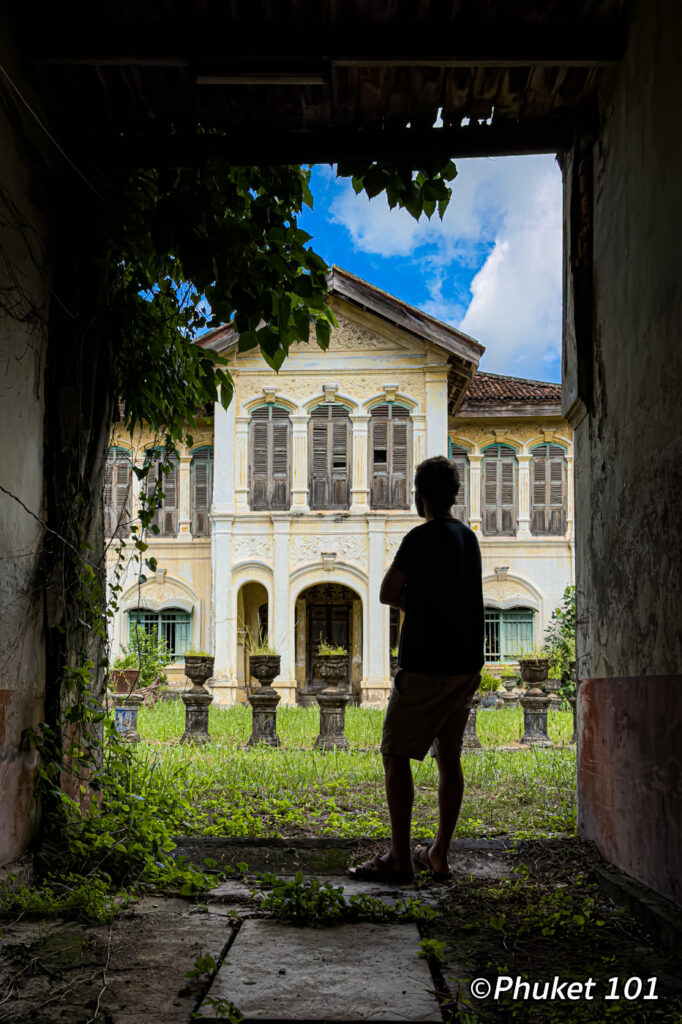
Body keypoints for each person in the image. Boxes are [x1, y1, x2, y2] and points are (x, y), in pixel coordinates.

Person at [349, 455, 484, 883]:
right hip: (465, 665)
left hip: (426, 664)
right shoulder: (468, 538)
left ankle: (400, 858)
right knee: (450, 758)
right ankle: (439, 853)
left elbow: (388, 592)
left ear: (420, 496)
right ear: (454, 495)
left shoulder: (419, 538)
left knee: (395, 755)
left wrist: (419, 606)